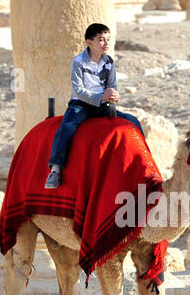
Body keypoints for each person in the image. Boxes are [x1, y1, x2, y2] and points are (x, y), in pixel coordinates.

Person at [44, 23, 142, 189]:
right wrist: (100, 96)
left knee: (132, 120)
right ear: (89, 42)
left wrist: (114, 94)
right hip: (81, 104)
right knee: (67, 127)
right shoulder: (78, 62)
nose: (106, 43)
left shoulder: (109, 62)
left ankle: (140, 160)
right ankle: (55, 169)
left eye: (108, 40)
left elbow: (112, 84)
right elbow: (78, 90)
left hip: (103, 105)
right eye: (101, 40)